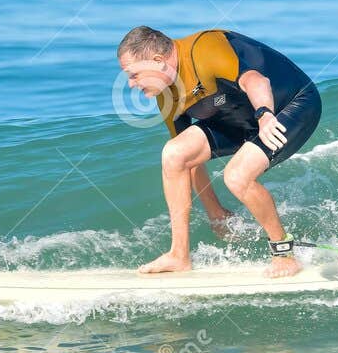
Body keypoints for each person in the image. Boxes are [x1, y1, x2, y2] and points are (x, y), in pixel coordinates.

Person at [119, 26, 321, 278]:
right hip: (237, 116)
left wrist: (265, 116)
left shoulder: (204, 47)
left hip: (288, 107)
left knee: (236, 176)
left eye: (133, 74)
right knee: (174, 154)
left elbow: (256, 81)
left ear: (158, 61)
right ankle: (179, 255)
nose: (130, 83)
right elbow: (188, 164)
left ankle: (284, 253)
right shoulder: (166, 95)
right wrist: (214, 212)